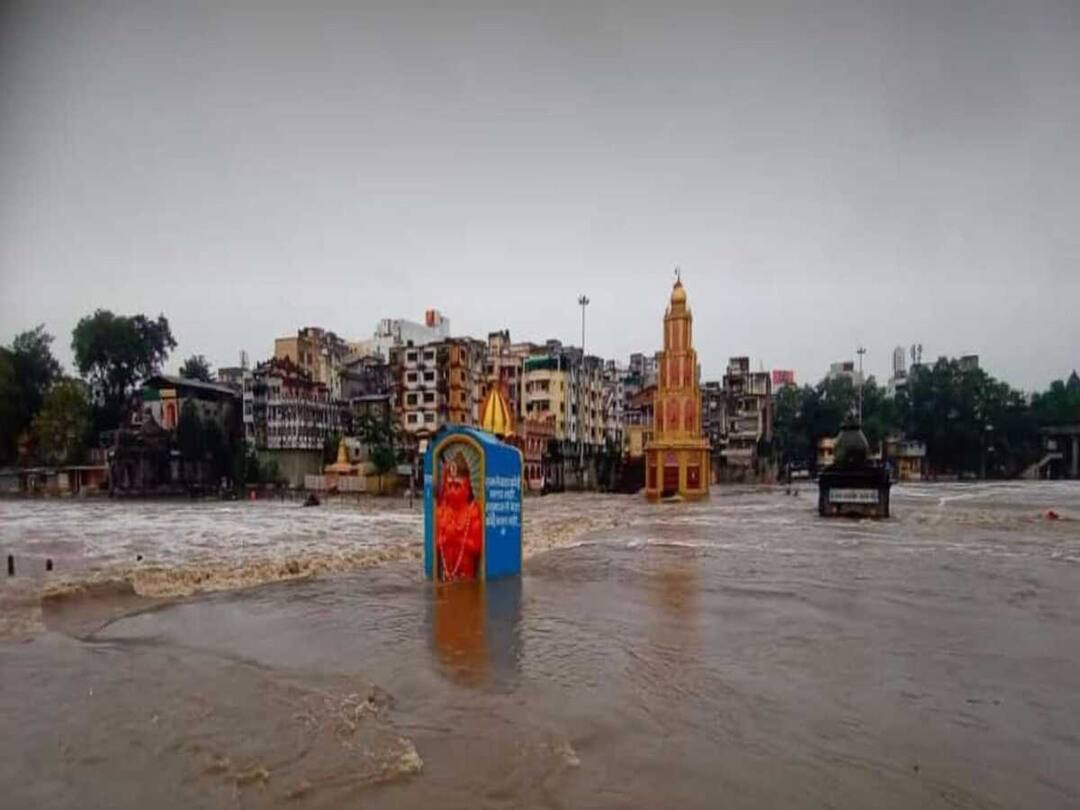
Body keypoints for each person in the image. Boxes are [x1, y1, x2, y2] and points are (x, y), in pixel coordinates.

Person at [436, 453, 483, 581]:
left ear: (467, 488)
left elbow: (477, 547)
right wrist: (446, 539)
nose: (452, 490)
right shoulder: (441, 512)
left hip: (466, 578)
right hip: (447, 574)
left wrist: (457, 539)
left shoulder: (472, 511)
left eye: (457, 486)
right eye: (449, 485)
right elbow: (436, 543)